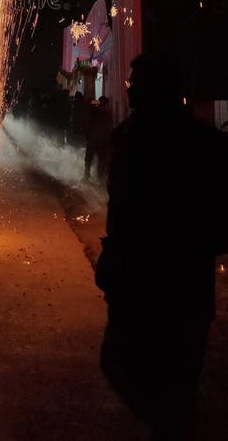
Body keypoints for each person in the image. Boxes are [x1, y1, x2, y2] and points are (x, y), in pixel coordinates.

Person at [95, 53, 228, 440]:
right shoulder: (206, 144)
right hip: (183, 291)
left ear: (158, 88)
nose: (130, 87)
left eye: (137, 81)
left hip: (149, 290)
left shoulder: (136, 142)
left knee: (129, 367)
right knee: (174, 390)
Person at [84, 95, 112, 182]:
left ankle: (96, 177)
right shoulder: (97, 112)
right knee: (92, 160)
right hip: (96, 141)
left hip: (98, 141)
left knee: (98, 161)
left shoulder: (101, 113)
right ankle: (89, 176)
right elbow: (88, 103)